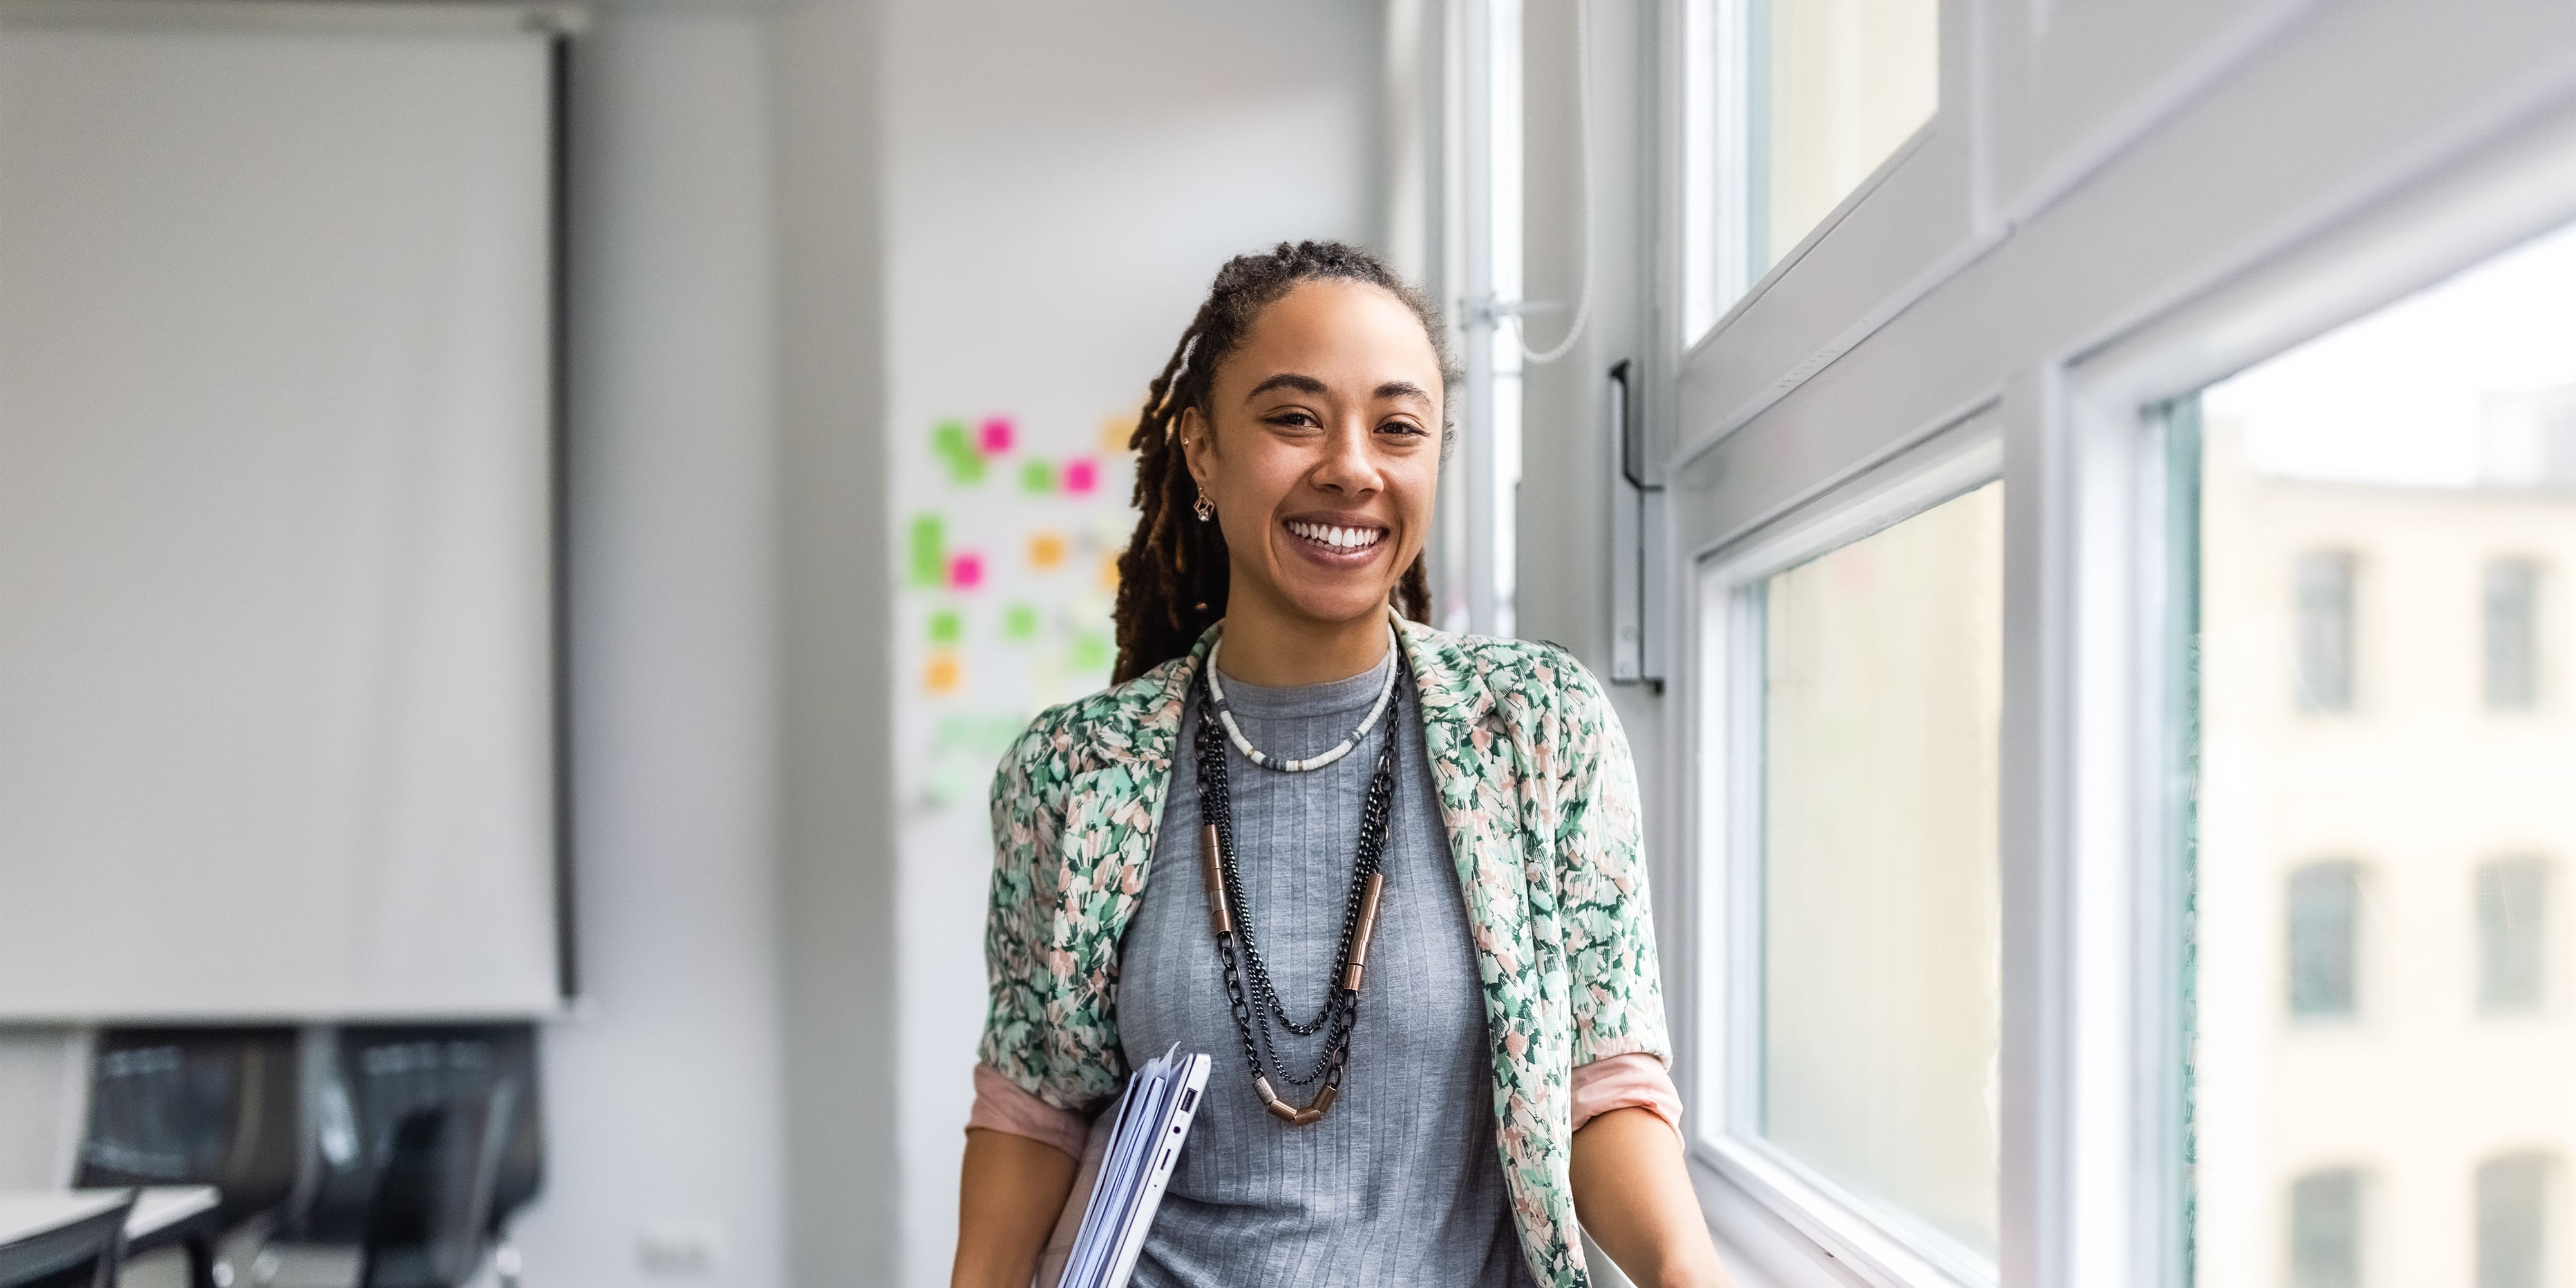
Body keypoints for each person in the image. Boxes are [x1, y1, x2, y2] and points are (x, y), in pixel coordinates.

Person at [953, 241, 1727, 1288]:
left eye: (1398, 427)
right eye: (1293, 418)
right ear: (1201, 452)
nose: (1352, 467)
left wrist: (1689, 1273)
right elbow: (1033, 1107)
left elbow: (1602, 1086)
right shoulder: (1077, 771)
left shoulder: (1536, 731)